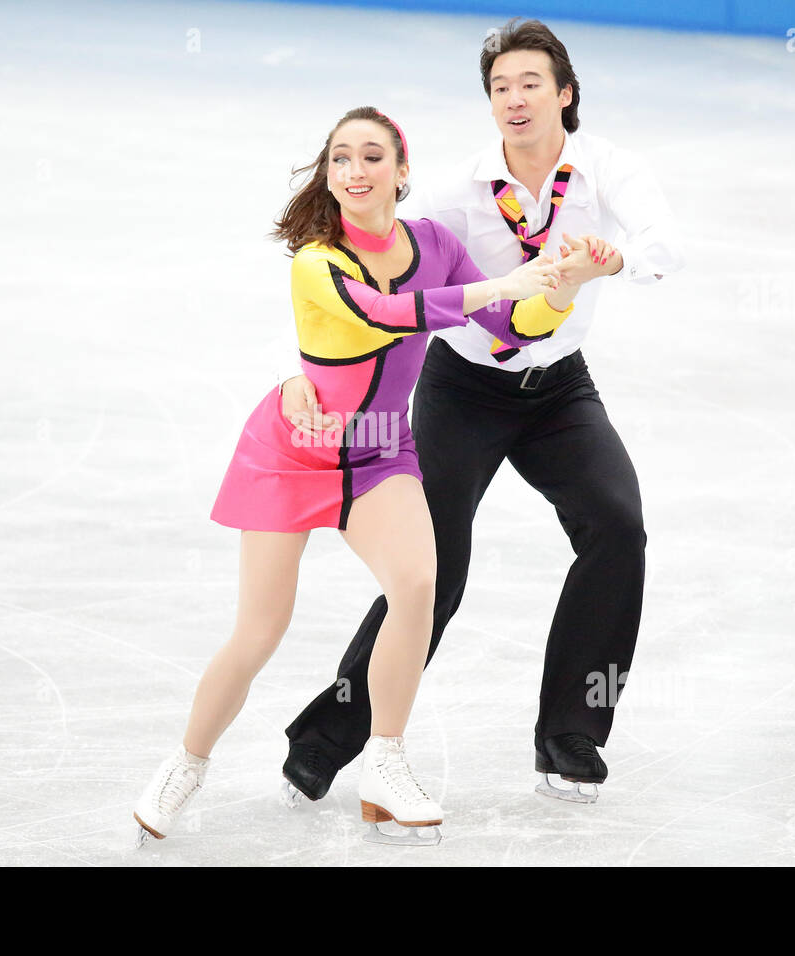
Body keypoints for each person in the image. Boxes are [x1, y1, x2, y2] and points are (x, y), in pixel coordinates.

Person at [132, 105, 585, 847]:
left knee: (415, 585)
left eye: (372, 157)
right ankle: (187, 761)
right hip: (291, 456)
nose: (354, 171)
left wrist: (561, 286)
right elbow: (384, 315)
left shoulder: (434, 245)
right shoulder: (318, 261)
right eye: (341, 158)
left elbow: (512, 331)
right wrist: (504, 284)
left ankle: (385, 760)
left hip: (379, 453)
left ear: (402, 172)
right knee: (259, 632)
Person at [279, 19, 685, 805]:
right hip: (461, 391)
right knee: (433, 570)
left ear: (565, 95)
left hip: (559, 389)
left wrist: (616, 259)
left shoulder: (607, 170)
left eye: (531, 83)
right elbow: (363, 262)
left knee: (616, 525)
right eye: (500, 88)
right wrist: (306, 377)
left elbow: (666, 244)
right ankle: (326, 738)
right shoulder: (456, 190)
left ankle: (570, 733)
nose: (515, 99)